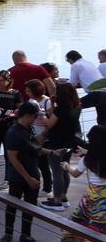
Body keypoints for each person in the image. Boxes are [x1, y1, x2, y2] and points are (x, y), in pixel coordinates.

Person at [1, 100, 46, 242]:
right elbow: (13, 158)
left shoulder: (29, 128)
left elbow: (35, 146)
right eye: (34, 116)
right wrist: (28, 178)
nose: (36, 119)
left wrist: (53, 152)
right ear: (26, 115)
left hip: (32, 173)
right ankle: (8, 233)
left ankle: (26, 234)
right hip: (18, 176)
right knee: (12, 204)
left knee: (30, 206)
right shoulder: (13, 132)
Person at [66, 124, 106, 242]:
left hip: (90, 197)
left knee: (79, 225)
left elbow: (75, 174)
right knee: (100, 230)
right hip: (105, 200)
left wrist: (66, 166)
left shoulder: (89, 158)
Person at [41, 82, 82, 210]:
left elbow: (49, 124)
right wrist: (53, 104)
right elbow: (59, 118)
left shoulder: (61, 109)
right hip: (69, 142)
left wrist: (42, 113)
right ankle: (63, 197)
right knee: (65, 169)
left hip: (56, 143)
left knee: (57, 172)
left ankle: (56, 201)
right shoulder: (77, 107)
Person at [0, 69, 20, 187]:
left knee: (8, 153)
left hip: (9, 126)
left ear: (8, 81)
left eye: (1, 81)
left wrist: (13, 114)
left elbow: (20, 109)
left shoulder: (15, 93)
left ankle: (7, 178)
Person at [24, 78, 54, 194]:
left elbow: (51, 121)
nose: (27, 93)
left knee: (43, 164)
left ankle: (47, 187)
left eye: (28, 91)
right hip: (32, 135)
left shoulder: (47, 102)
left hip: (43, 137)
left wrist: (44, 135)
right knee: (33, 162)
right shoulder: (31, 101)